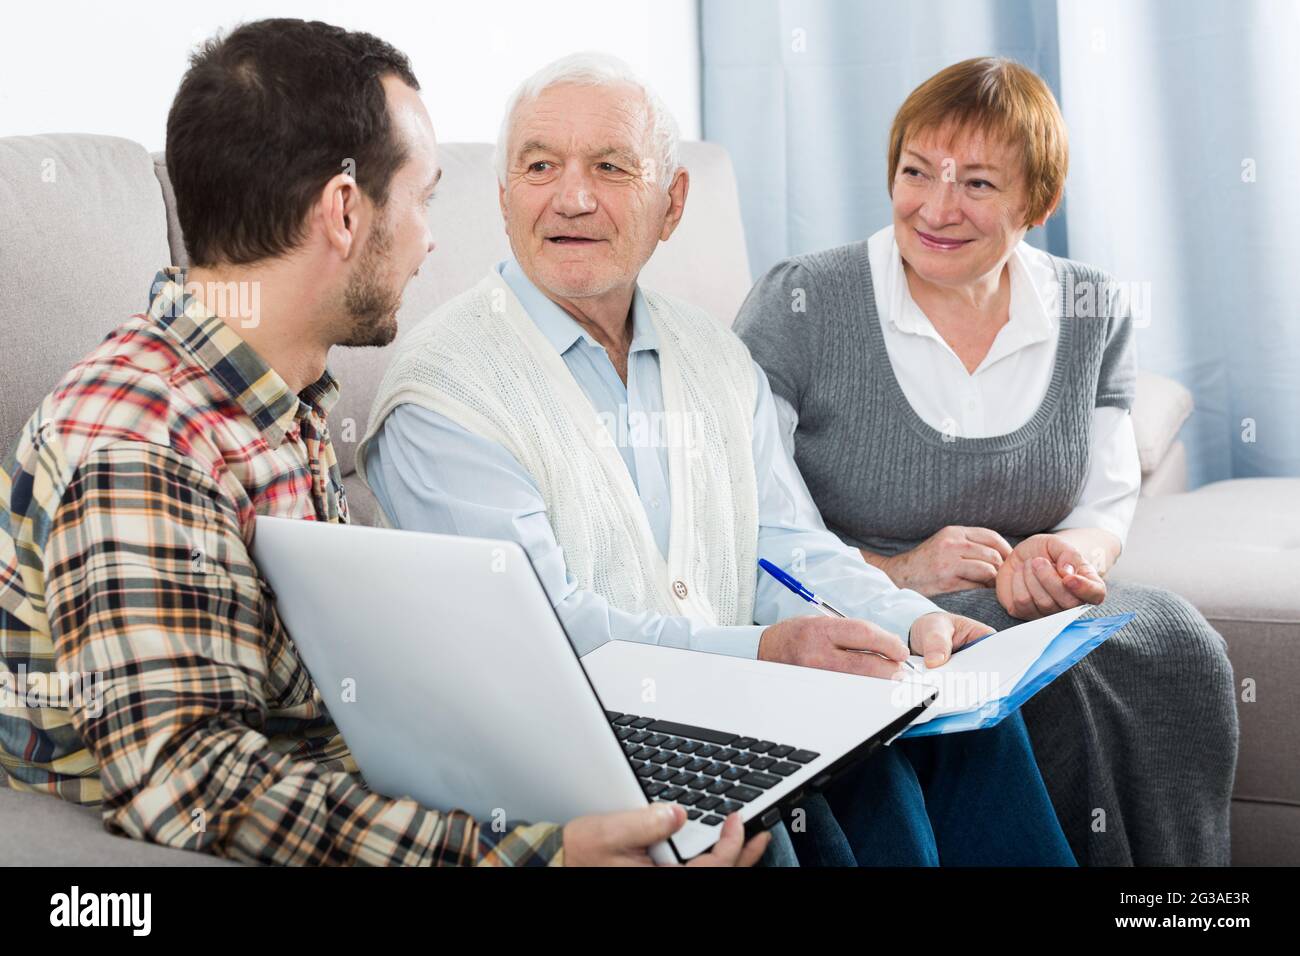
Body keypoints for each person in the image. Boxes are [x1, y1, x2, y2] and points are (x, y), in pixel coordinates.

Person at [0, 19, 766, 867]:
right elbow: (192, 785)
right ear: (344, 211)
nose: (431, 239)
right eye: (423, 197)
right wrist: (528, 853)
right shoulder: (139, 440)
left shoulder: (275, 397)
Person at [359, 52, 1076, 866]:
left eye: (611, 166)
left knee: (968, 719)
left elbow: (784, 545)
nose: (573, 197)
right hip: (581, 740)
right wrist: (765, 654)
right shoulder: (444, 388)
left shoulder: (712, 352)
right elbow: (542, 636)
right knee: (849, 791)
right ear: (502, 197)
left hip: (733, 707)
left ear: (672, 205)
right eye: (539, 166)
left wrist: (907, 621)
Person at [734, 56, 1238, 865]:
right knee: (1042, 691)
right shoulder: (802, 304)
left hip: (1034, 608)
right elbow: (743, 517)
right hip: (854, 601)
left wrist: (1065, 561)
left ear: (1037, 202)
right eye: (916, 172)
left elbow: (1105, 503)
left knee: (1179, 646)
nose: (937, 208)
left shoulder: (1091, 307)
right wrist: (899, 573)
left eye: (977, 184)